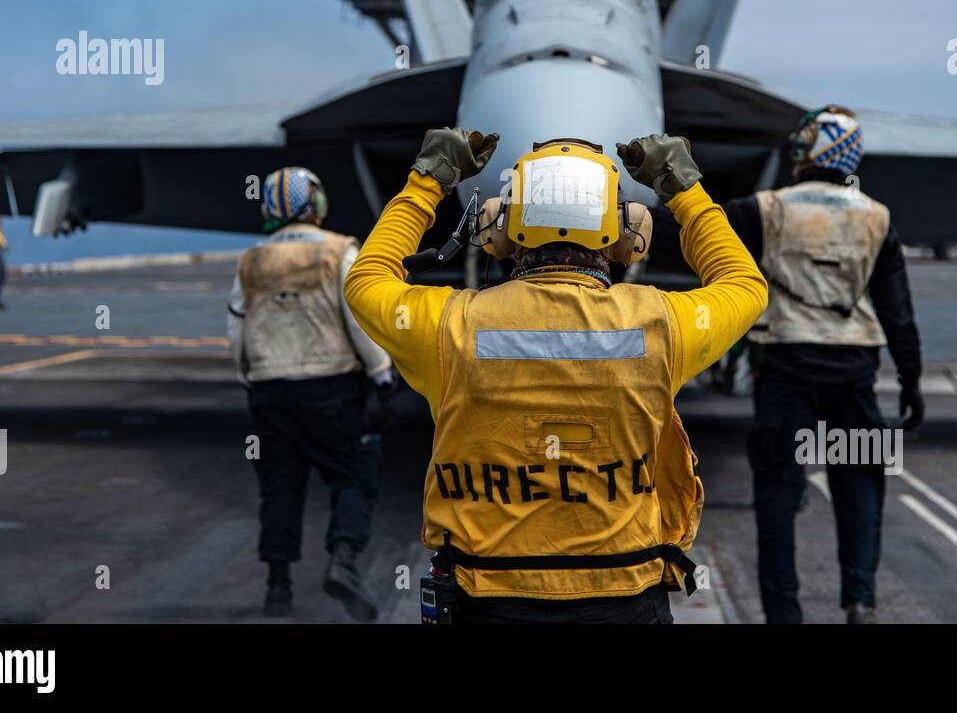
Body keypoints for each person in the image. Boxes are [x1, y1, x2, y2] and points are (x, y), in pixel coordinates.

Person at [344, 130, 766, 623]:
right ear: (627, 231)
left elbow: (366, 279)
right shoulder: (661, 325)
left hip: (485, 598)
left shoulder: (448, 326)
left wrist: (427, 182)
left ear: (498, 228)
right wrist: (684, 189)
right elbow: (744, 285)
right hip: (625, 597)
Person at [723, 105, 924, 624]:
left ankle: (783, 614)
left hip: (786, 366)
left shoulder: (762, 208)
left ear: (811, 151)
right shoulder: (877, 216)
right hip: (856, 371)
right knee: (860, 482)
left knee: (777, 490)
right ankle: (860, 599)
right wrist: (911, 380)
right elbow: (898, 310)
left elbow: (693, 231)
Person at [227, 166, 397, 619]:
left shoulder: (251, 260)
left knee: (279, 489)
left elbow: (235, 327)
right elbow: (358, 317)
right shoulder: (340, 251)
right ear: (315, 204)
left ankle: (277, 587)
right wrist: (382, 373)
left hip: (268, 393)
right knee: (352, 475)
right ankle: (343, 561)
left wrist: (250, 376)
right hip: (330, 388)